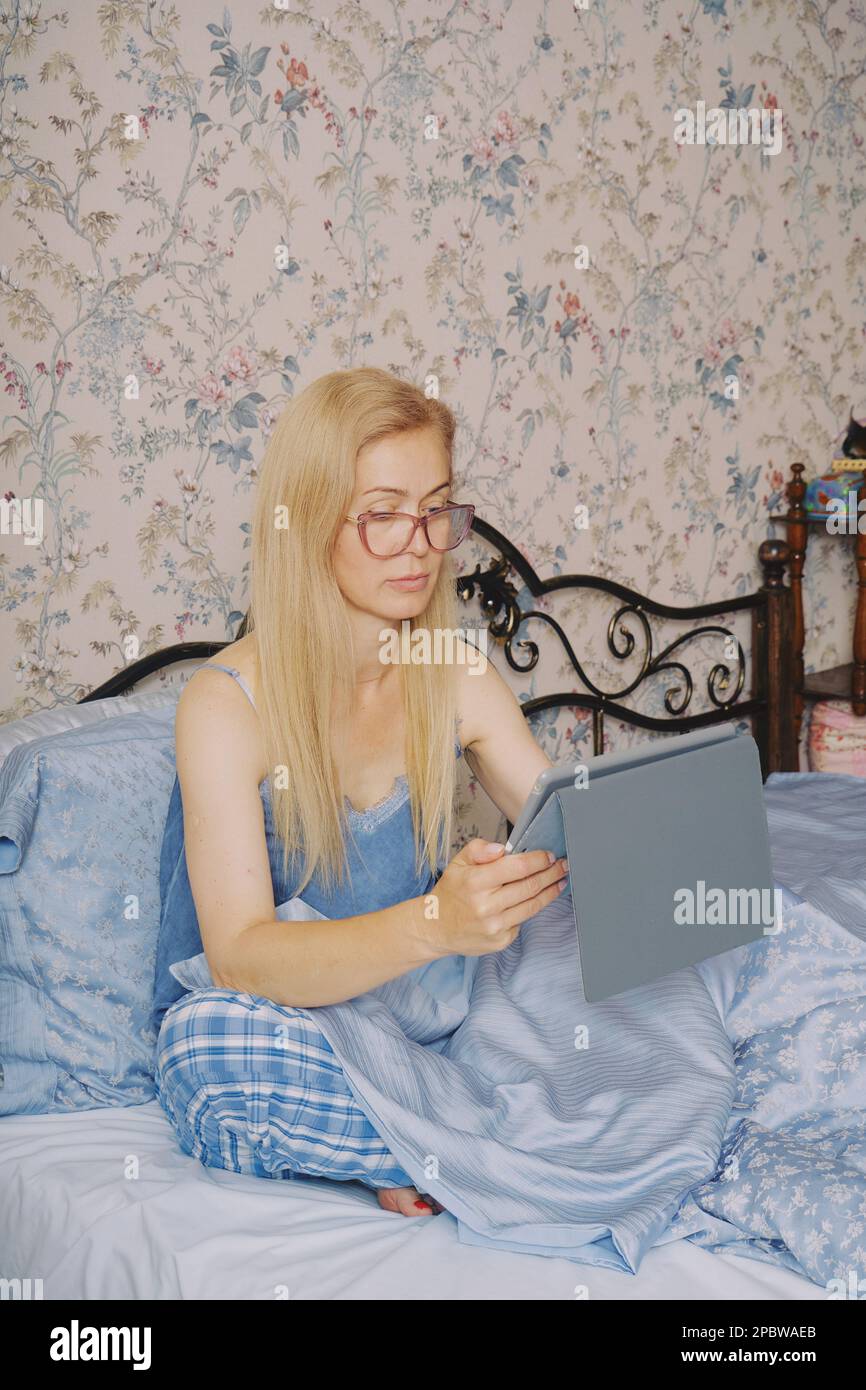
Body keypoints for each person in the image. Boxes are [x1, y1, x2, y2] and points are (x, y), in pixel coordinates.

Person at [153, 366, 568, 1217]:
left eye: (436, 510)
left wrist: (653, 846)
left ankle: (436, 1132)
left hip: (426, 1015)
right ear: (307, 525)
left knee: (601, 966)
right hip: (296, 1023)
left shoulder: (449, 669)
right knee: (206, 1045)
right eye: (381, 515)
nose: (418, 543)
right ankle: (481, 1137)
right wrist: (435, 923)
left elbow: (573, 814)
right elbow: (240, 957)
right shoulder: (224, 705)